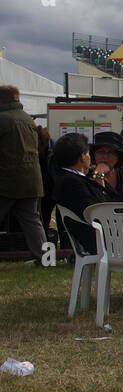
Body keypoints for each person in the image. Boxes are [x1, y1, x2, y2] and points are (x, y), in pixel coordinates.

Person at [0, 85, 46, 262]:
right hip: (31, 180)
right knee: (32, 221)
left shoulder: (3, 119)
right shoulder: (27, 119)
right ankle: (45, 258)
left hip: (6, 180)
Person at [50, 133, 110, 251]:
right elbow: (97, 210)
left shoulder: (66, 177)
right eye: (88, 153)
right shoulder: (71, 182)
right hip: (97, 239)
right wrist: (99, 176)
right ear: (82, 157)